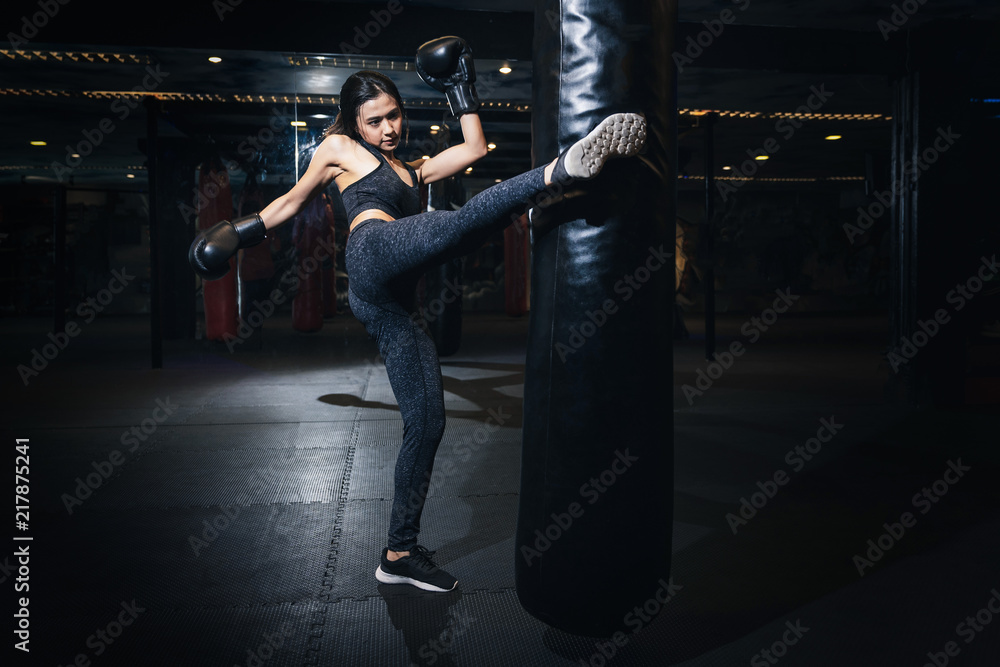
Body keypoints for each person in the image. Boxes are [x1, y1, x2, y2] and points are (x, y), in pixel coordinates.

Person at [189, 36, 647, 593]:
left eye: (395, 116)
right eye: (375, 120)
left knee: (428, 422)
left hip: (394, 305)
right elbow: (292, 201)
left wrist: (461, 87)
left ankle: (398, 553)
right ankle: (562, 171)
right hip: (373, 255)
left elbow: (475, 148)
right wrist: (237, 234)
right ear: (354, 122)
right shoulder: (337, 149)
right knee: (461, 220)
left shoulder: (412, 170)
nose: (387, 128)